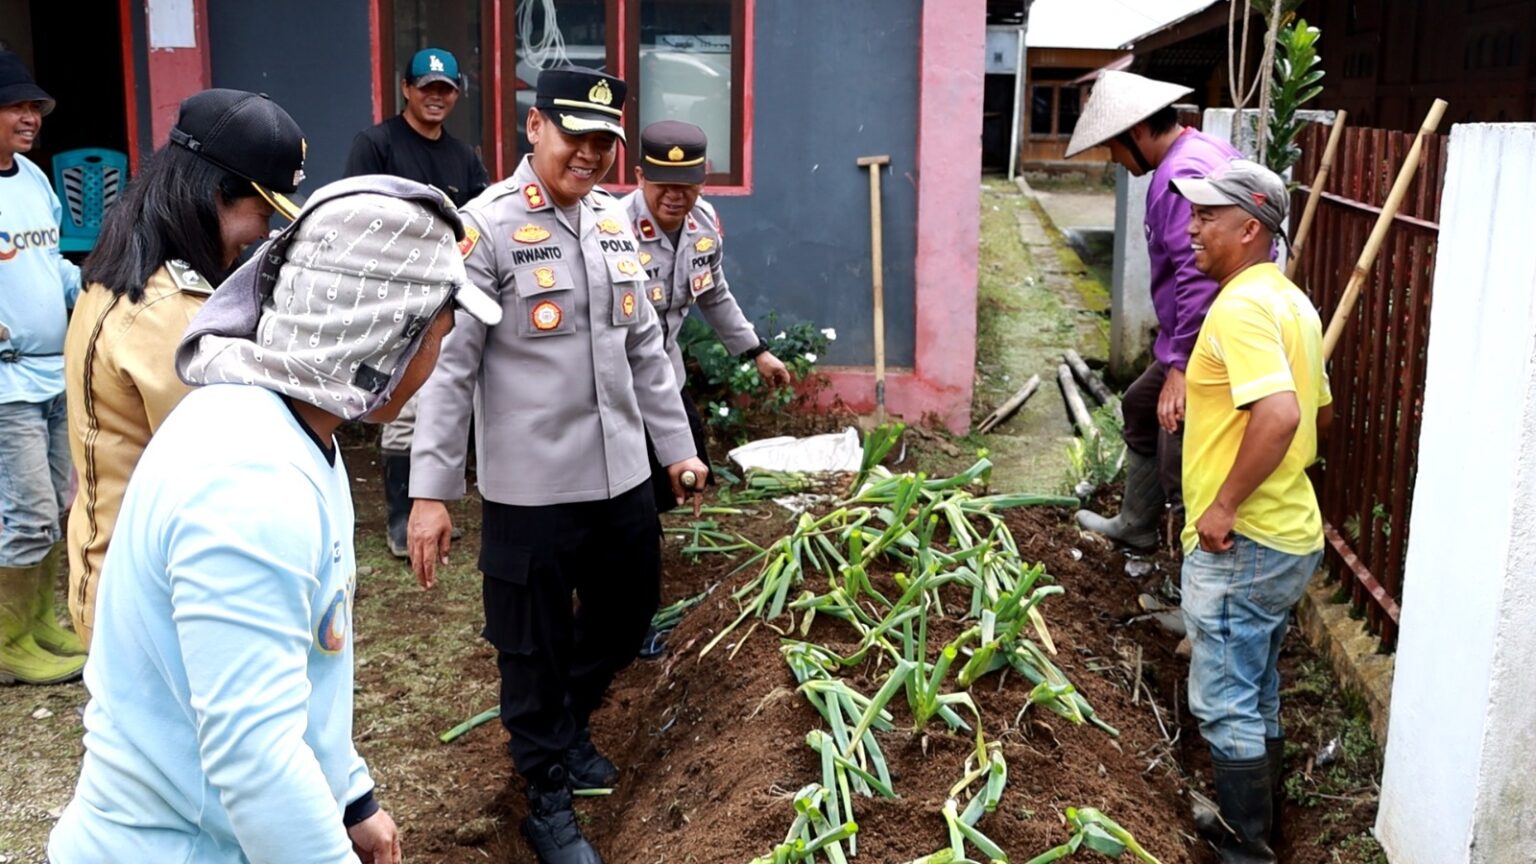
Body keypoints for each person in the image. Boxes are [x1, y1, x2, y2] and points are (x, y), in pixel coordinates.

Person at [47, 174, 503, 864]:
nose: (436, 362)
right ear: (388, 336)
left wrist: (352, 798)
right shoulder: (247, 483)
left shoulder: (293, 429)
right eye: (438, 333)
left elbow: (306, 666)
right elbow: (254, 756)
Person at [408, 68, 708, 864]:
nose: (592, 153)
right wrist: (431, 492)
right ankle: (545, 800)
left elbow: (646, 349)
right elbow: (449, 368)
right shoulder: (486, 228)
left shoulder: (614, 224)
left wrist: (676, 450)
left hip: (619, 479)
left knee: (626, 614)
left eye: (605, 141)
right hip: (530, 492)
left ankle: (567, 727)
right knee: (531, 648)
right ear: (534, 127)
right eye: (575, 135)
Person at [64, 88, 307, 648]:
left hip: (132, 571)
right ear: (218, 194)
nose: (261, 234)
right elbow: (230, 464)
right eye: (262, 211)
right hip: (147, 598)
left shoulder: (131, 265)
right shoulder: (164, 313)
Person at [1171, 160, 1330, 862]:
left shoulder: (1239, 308)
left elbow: (1281, 413)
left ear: (1249, 228)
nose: (1192, 227)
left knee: (1224, 699)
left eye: (1207, 217)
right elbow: (1314, 411)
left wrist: (1224, 503)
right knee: (1256, 683)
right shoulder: (1292, 302)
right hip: (1290, 533)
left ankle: (1246, 850)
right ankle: (1266, 824)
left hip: (1247, 539)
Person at [620, 119, 790, 657]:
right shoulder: (611, 227)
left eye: (687, 183)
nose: (675, 196)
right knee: (628, 504)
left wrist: (755, 350)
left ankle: (627, 575)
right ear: (641, 175)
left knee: (671, 485)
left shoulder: (703, 224)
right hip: (613, 389)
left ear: (703, 180)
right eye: (663, 183)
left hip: (664, 377)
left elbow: (713, 293)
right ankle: (623, 611)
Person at [1064, 70, 1241, 550]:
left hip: (1211, 344)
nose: (1114, 160)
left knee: (1180, 452)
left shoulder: (1182, 175)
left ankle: (1196, 596)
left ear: (1138, 132)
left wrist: (1182, 367)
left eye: (1113, 148)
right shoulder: (1194, 154)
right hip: (1200, 335)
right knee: (1140, 407)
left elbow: (1197, 276)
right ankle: (1138, 526)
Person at [345, 47, 491, 558]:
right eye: (426, 88)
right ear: (406, 89)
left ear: (455, 95)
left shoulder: (463, 157)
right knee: (402, 405)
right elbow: (353, 214)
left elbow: (477, 227)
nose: (436, 97)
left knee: (442, 397)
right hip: (393, 296)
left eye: (445, 89)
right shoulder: (377, 145)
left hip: (446, 298)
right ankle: (402, 521)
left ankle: (432, 507)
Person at [0, 49, 85, 685]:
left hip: (53, 375)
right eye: (16, 107)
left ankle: (39, 622)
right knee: (24, 512)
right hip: (6, 385)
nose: (30, 117)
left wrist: (90, 290)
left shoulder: (30, 177)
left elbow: (49, 261)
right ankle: (7, 641)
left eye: (34, 107)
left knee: (56, 501)